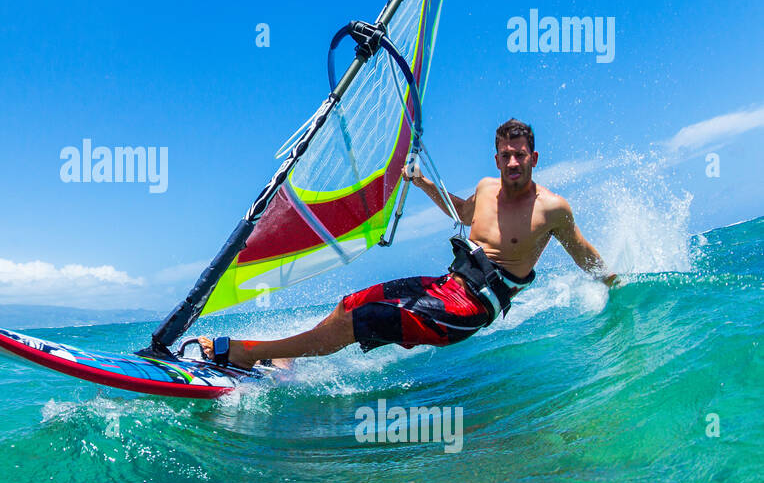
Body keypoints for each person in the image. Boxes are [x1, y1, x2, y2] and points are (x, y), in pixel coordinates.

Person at [201, 119, 618, 370]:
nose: (513, 162)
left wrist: (615, 283)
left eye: (521, 155)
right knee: (349, 304)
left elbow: (582, 251)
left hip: (469, 310)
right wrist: (420, 183)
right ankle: (285, 356)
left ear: (534, 158)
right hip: (445, 286)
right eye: (506, 155)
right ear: (496, 159)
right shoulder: (487, 188)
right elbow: (462, 213)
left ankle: (248, 353)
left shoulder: (551, 209)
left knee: (358, 323)